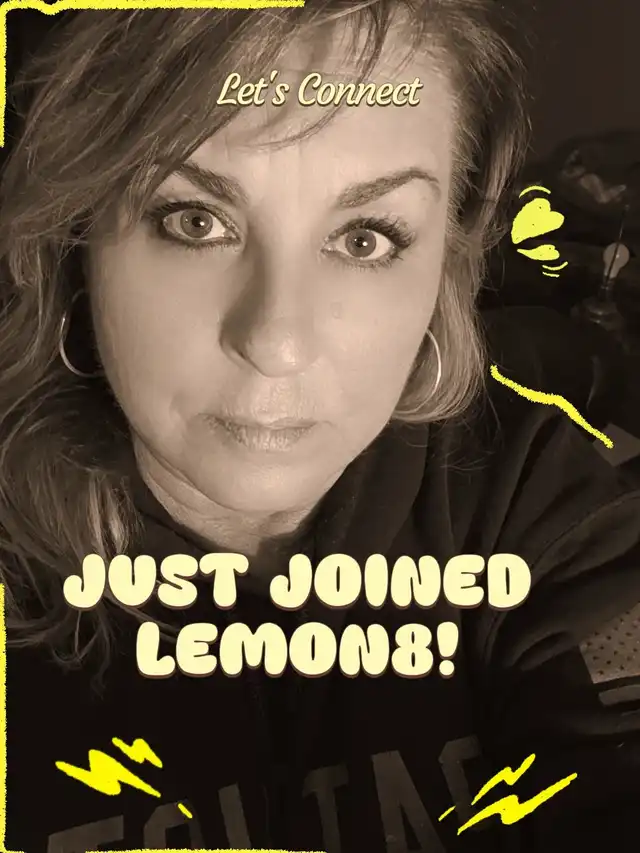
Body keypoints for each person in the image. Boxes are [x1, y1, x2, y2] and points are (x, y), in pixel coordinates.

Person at [0, 3, 639, 851]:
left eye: (366, 237)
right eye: (195, 220)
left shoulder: (534, 496)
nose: (277, 342)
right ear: (77, 236)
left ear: (446, 253)